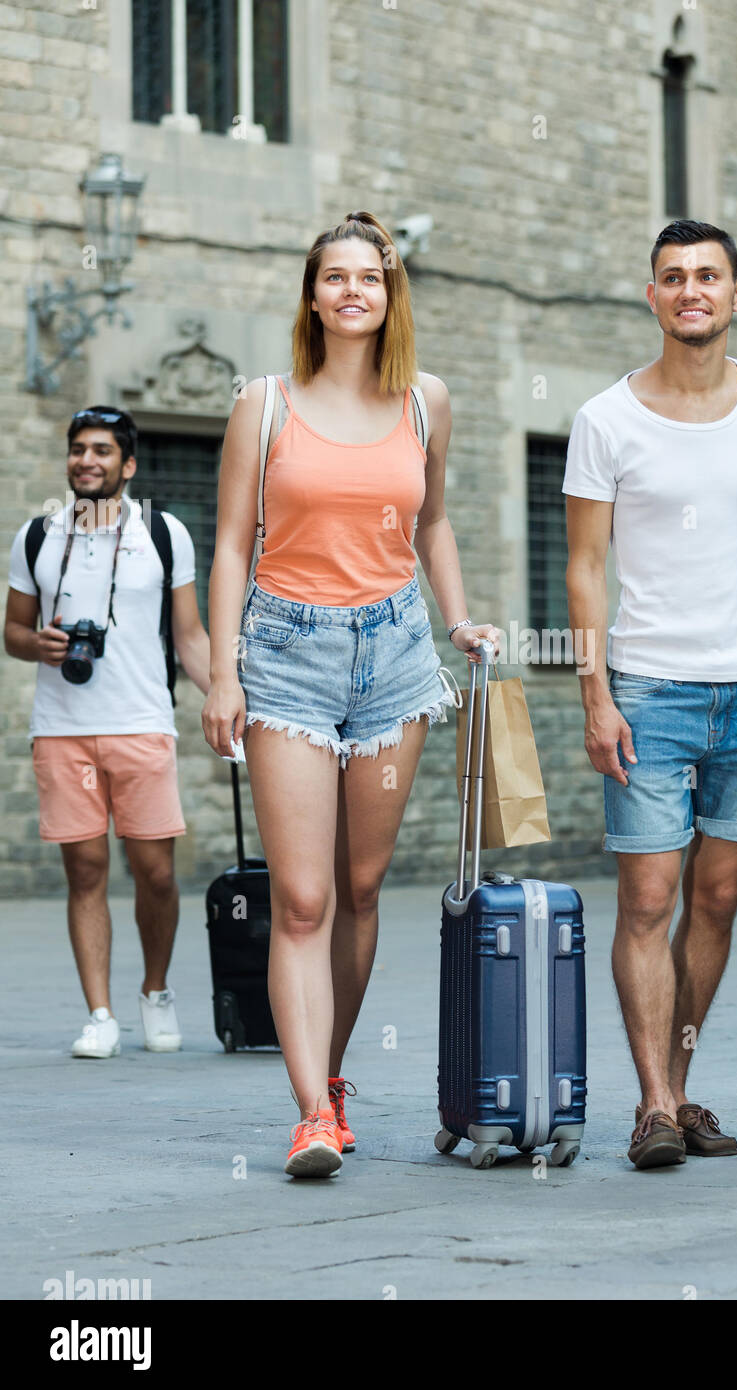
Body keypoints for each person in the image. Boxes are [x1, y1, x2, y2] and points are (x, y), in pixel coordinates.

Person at [202, 210, 500, 1179]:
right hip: (286, 651)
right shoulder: (265, 403)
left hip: (397, 655)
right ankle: (307, 1114)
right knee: (302, 895)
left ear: (388, 293)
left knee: (360, 890)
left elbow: (436, 524)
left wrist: (457, 619)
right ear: (313, 295)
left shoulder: (427, 404)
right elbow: (229, 546)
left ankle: (329, 1080)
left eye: (367, 277)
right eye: (333, 277)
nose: (351, 291)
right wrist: (220, 669)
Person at [564, 220, 737, 1170]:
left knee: (716, 900)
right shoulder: (606, 419)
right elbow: (585, 568)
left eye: (708, 275)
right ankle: (656, 1105)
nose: (691, 290)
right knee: (649, 899)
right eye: (673, 278)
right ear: (653, 295)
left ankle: (675, 1088)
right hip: (650, 688)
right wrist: (598, 693)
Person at [4, 405, 210, 1057]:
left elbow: (190, 634)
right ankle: (99, 1013)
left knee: (154, 872)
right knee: (85, 870)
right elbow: (12, 630)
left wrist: (226, 696)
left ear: (128, 465)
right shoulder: (36, 535)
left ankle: (155, 991)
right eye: (77, 449)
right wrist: (36, 645)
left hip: (141, 723)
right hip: (62, 729)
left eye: (100, 450)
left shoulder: (164, 534)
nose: (86, 460)